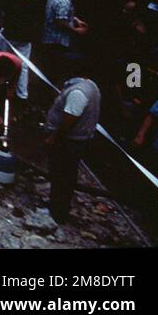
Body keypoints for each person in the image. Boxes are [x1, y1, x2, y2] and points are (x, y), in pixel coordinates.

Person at [43, 71, 101, 224]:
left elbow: (70, 118)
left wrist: (54, 136)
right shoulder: (91, 86)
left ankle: (57, 212)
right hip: (78, 139)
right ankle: (58, 206)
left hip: (68, 140)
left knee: (60, 175)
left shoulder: (77, 93)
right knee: (67, 175)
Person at [39, 0, 88, 87]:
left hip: (47, 36)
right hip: (57, 41)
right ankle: (49, 93)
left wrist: (76, 20)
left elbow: (59, 13)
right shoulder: (64, 3)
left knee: (48, 66)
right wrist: (77, 31)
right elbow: (61, 21)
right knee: (55, 70)